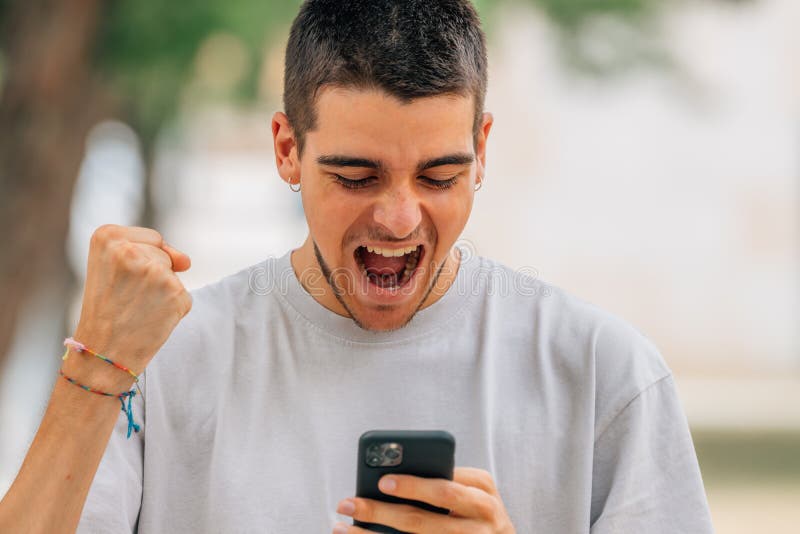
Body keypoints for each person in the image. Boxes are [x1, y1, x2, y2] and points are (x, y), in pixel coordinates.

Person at [0, 1, 715, 532]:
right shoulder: (163, 364)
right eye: (356, 175)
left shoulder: (604, 373)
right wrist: (93, 370)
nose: (399, 219)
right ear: (287, 150)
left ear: (483, 148)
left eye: (439, 176)